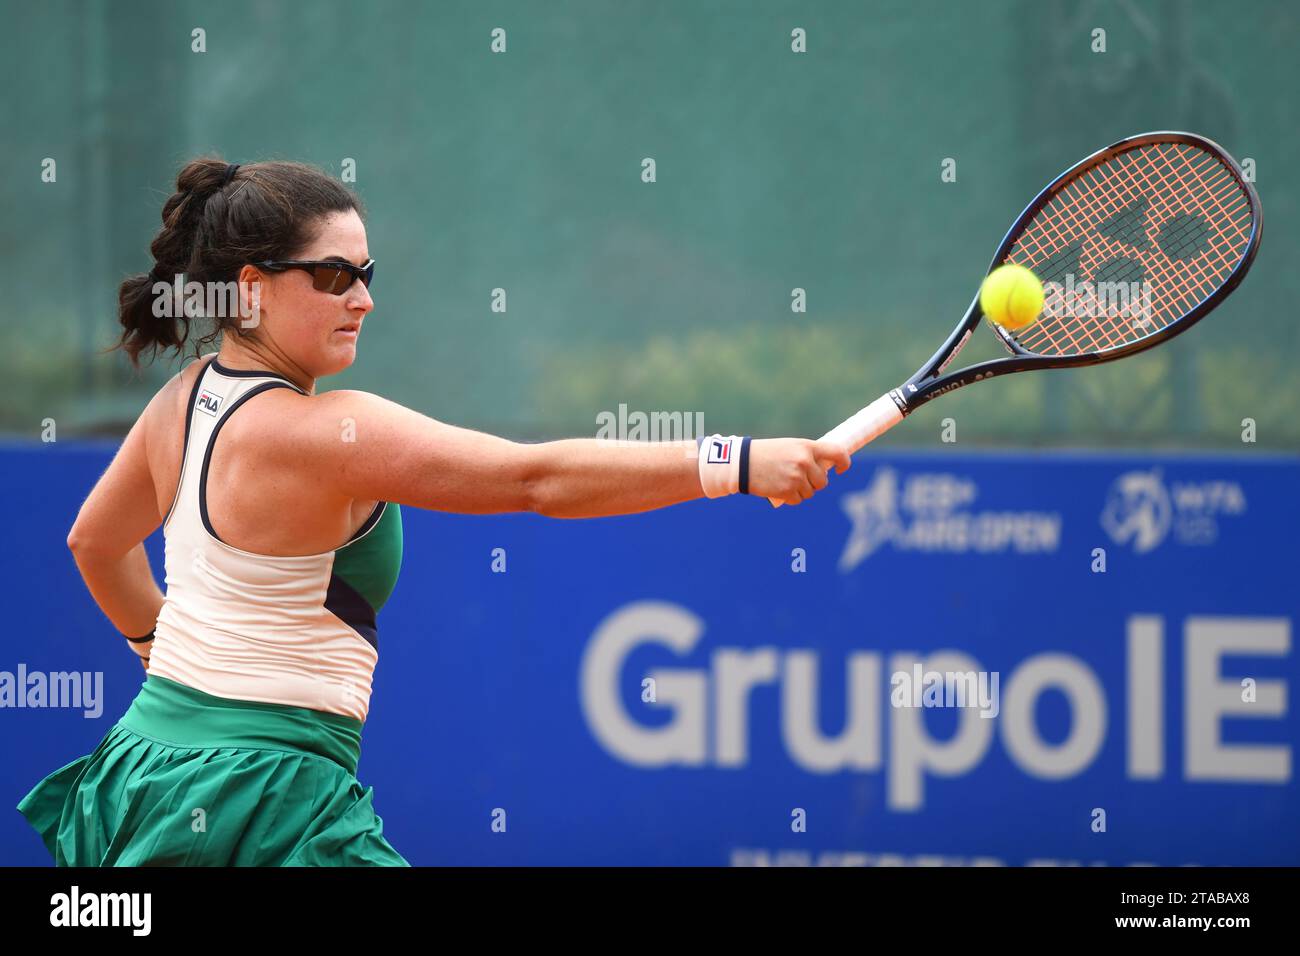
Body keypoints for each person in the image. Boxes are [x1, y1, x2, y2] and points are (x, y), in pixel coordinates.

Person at [16, 157, 851, 866]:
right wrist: (734, 462)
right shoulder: (331, 433)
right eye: (334, 275)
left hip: (140, 771)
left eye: (367, 275)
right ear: (252, 288)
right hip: (267, 799)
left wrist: (163, 653)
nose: (363, 299)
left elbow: (95, 542)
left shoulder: (183, 400)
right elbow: (534, 480)